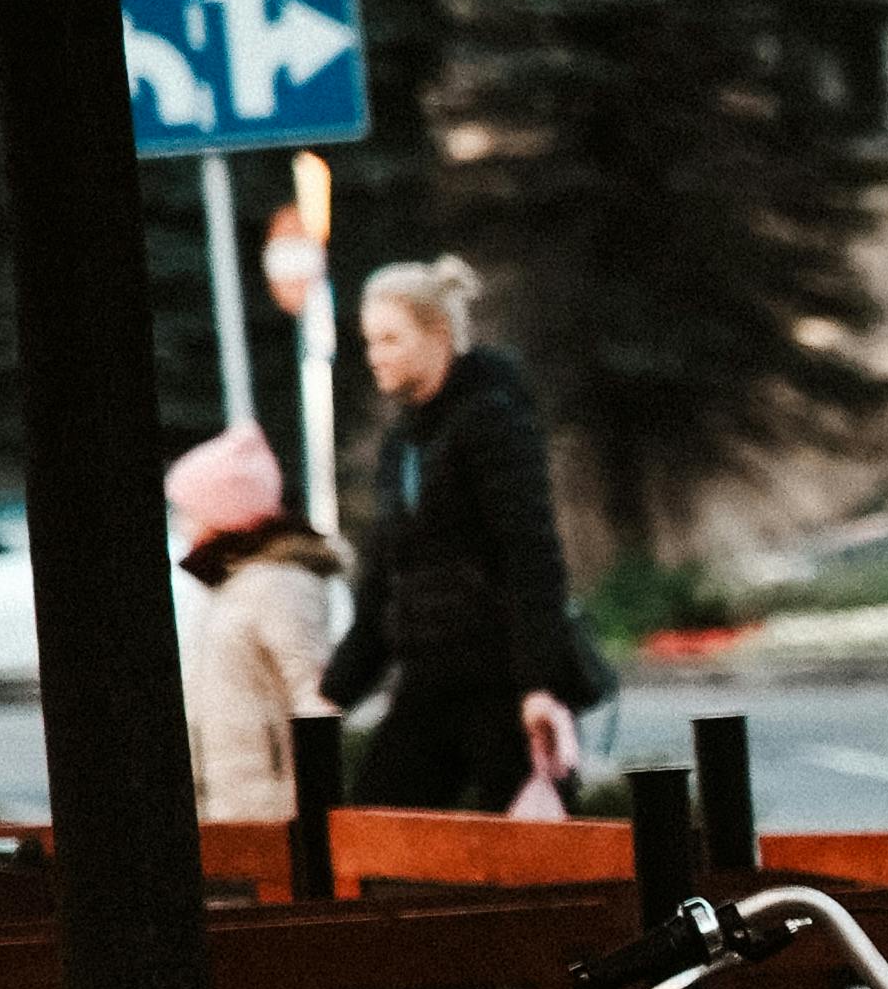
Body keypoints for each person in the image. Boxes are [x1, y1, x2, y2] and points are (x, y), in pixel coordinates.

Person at [320, 258, 604, 813]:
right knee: (379, 833)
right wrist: (333, 694)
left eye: (391, 339)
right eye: (370, 340)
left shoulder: (491, 422)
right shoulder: (402, 444)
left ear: (439, 336)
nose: (375, 354)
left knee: (535, 861)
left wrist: (538, 686)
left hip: (500, 682)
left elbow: (531, 556)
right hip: (429, 681)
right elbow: (384, 582)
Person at [164, 418, 347, 822]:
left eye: (188, 511)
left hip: (273, 809)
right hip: (229, 804)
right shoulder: (228, 584)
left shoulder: (278, 584)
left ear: (224, 512)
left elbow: (312, 694)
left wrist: (315, 813)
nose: (180, 523)